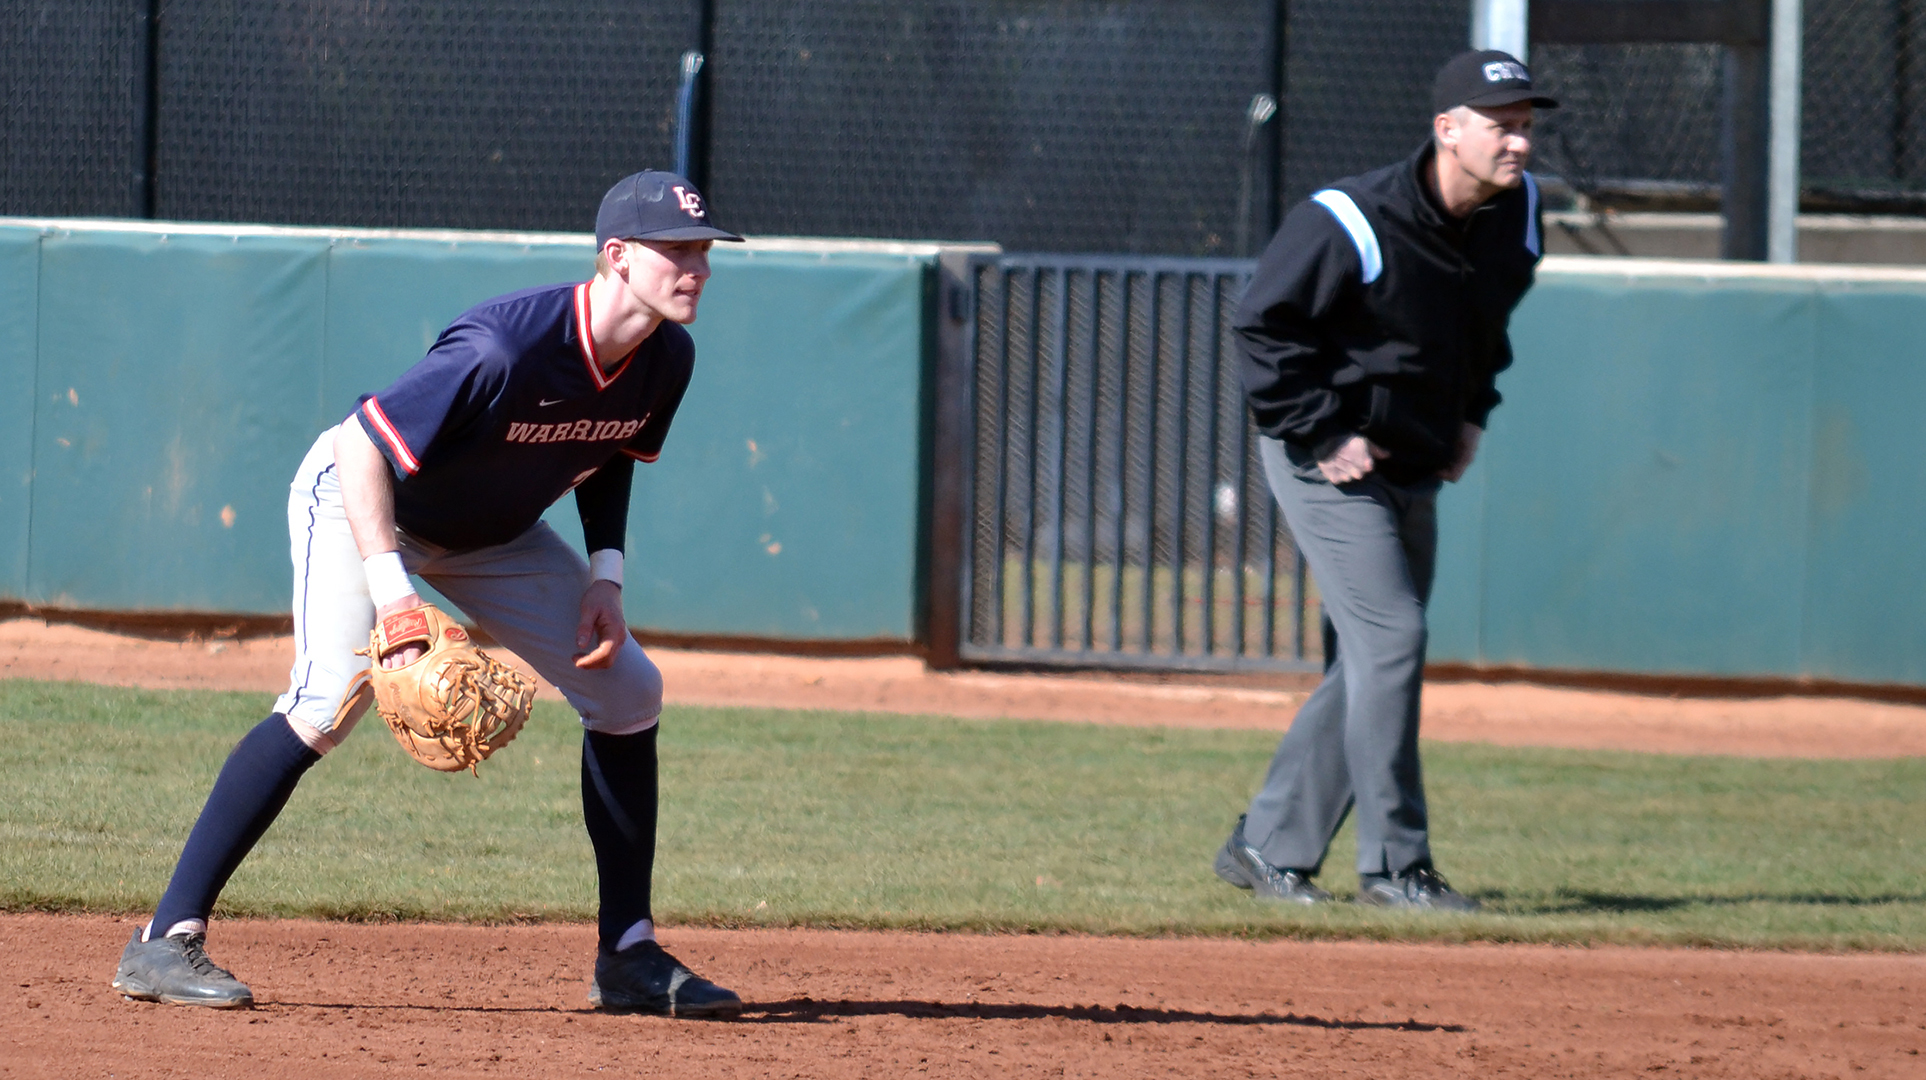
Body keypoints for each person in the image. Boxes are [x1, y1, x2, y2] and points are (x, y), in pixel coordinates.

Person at [111, 170, 747, 1016]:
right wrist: (394, 596)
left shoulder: (668, 357)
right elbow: (361, 444)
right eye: (675, 249)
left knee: (629, 690)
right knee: (326, 701)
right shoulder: (506, 347)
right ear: (617, 256)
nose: (695, 264)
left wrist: (606, 576)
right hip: (364, 503)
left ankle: (627, 956)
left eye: (702, 248)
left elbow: (607, 449)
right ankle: (162, 941)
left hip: (495, 533)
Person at [1213, 51, 1555, 910]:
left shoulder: (1517, 215)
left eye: (1525, 123)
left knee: (1370, 662)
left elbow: (1486, 326)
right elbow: (1261, 326)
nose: (1518, 140)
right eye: (1499, 123)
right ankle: (1397, 867)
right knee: (1393, 640)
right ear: (1448, 130)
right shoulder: (1350, 219)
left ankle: (1265, 845)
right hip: (1324, 458)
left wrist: (1472, 410)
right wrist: (1323, 429)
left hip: (1415, 455)